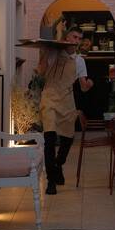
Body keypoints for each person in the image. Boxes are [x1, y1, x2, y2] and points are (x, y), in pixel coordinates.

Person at [35, 27, 92, 194]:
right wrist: (44, 54)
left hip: (67, 100)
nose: (76, 41)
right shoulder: (53, 53)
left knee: (68, 139)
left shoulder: (80, 61)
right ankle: (51, 181)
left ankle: (59, 164)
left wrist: (89, 85)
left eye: (79, 38)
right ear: (66, 36)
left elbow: (83, 87)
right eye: (74, 37)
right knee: (50, 138)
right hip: (49, 98)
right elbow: (40, 72)